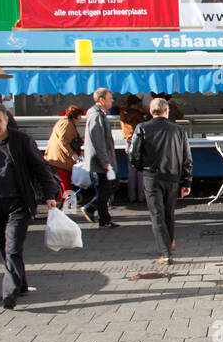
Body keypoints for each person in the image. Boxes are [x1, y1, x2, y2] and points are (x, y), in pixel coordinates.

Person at [0, 102, 61, 309]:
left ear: (6, 120)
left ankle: (9, 292)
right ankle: (22, 283)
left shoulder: (21, 141)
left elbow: (40, 167)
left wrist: (50, 194)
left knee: (13, 247)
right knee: (4, 247)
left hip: (19, 202)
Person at [129, 97, 191, 263]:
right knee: (169, 213)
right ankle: (169, 243)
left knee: (157, 215)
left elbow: (133, 155)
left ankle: (166, 253)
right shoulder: (179, 130)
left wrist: (141, 168)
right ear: (166, 111)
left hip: (152, 176)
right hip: (172, 177)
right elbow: (187, 158)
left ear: (151, 111)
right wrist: (186, 181)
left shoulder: (142, 128)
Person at [81, 87, 119, 228]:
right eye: (110, 99)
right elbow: (98, 141)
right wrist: (105, 161)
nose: (112, 101)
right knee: (107, 188)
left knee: (107, 188)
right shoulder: (96, 116)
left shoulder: (99, 114)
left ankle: (102, 217)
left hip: (101, 160)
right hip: (101, 161)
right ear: (101, 100)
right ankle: (96, 211)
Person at [45, 105, 85, 195]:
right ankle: (64, 203)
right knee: (65, 182)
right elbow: (63, 140)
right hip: (61, 159)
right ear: (76, 115)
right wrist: (72, 154)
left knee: (64, 182)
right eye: (80, 116)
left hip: (60, 157)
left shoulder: (65, 122)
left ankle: (63, 202)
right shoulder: (67, 124)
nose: (80, 118)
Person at [119, 94, 147, 204]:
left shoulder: (123, 113)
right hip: (138, 142)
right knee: (140, 170)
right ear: (135, 104)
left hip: (128, 142)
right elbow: (144, 125)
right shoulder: (137, 113)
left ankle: (131, 197)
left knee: (131, 171)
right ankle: (141, 196)